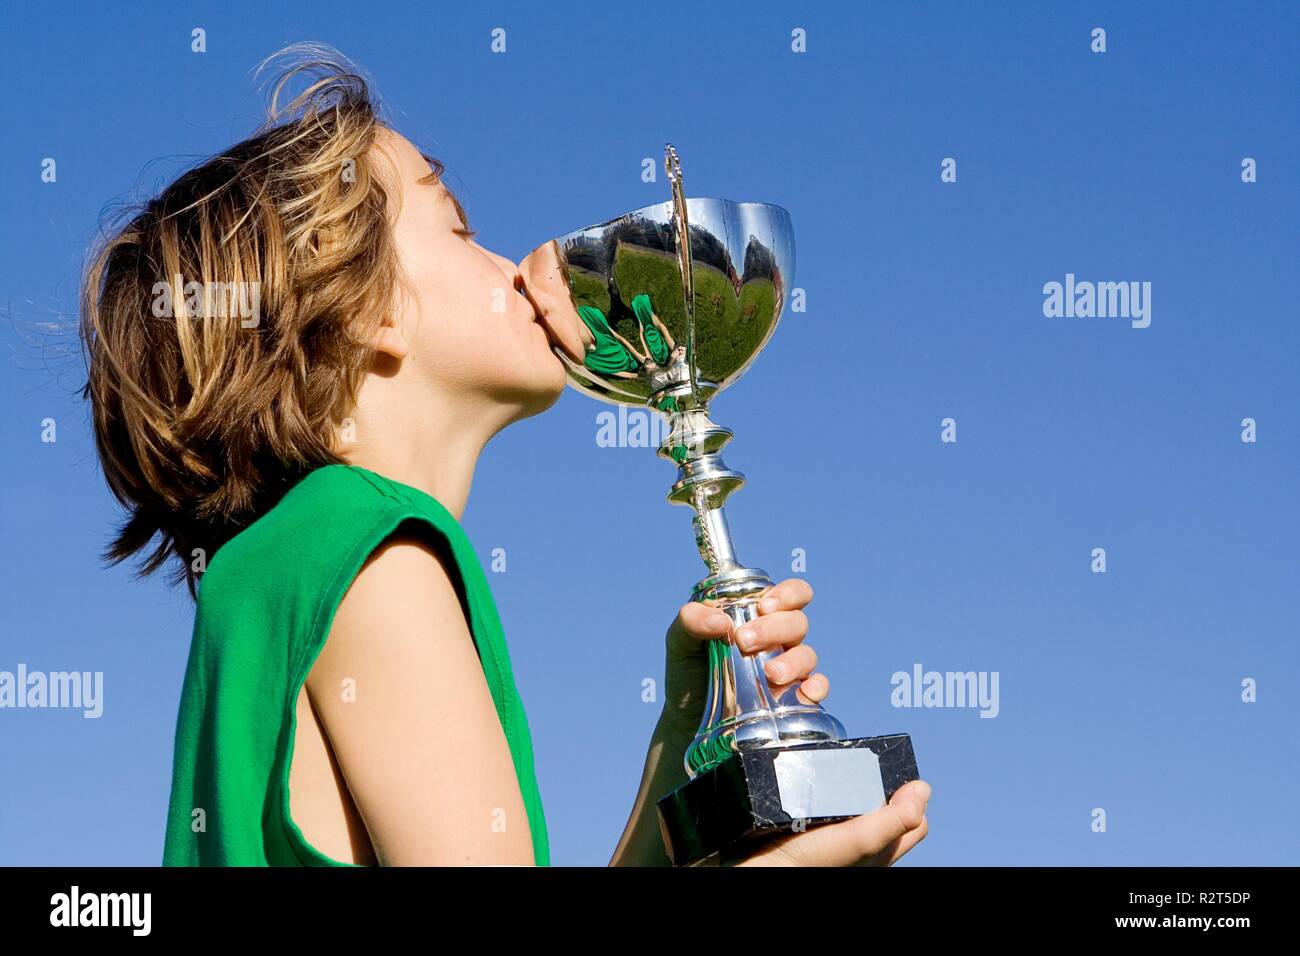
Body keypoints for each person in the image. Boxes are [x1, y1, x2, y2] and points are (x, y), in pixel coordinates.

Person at [79, 44, 931, 867]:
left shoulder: (266, 570)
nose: (514, 268)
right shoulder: (374, 548)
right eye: (461, 230)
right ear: (363, 314)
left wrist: (681, 740)